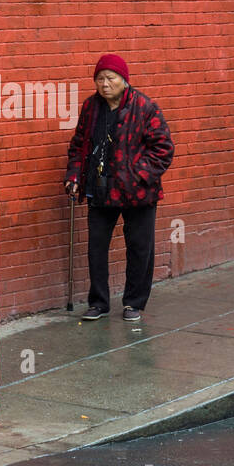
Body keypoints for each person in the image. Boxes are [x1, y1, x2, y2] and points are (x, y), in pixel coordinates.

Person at [64, 54, 174, 322]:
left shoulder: (145, 107)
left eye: (110, 78)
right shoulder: (91, 107)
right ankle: (99, 302)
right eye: (100, 79)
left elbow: (164, 149)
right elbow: (79, 144)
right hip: (100, 188)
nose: (104, 84)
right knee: (96, 247)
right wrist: (74, 174)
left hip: (137, 192)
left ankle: (133, 303)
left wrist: (137, 175)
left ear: (124, 80)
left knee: (139, 248)